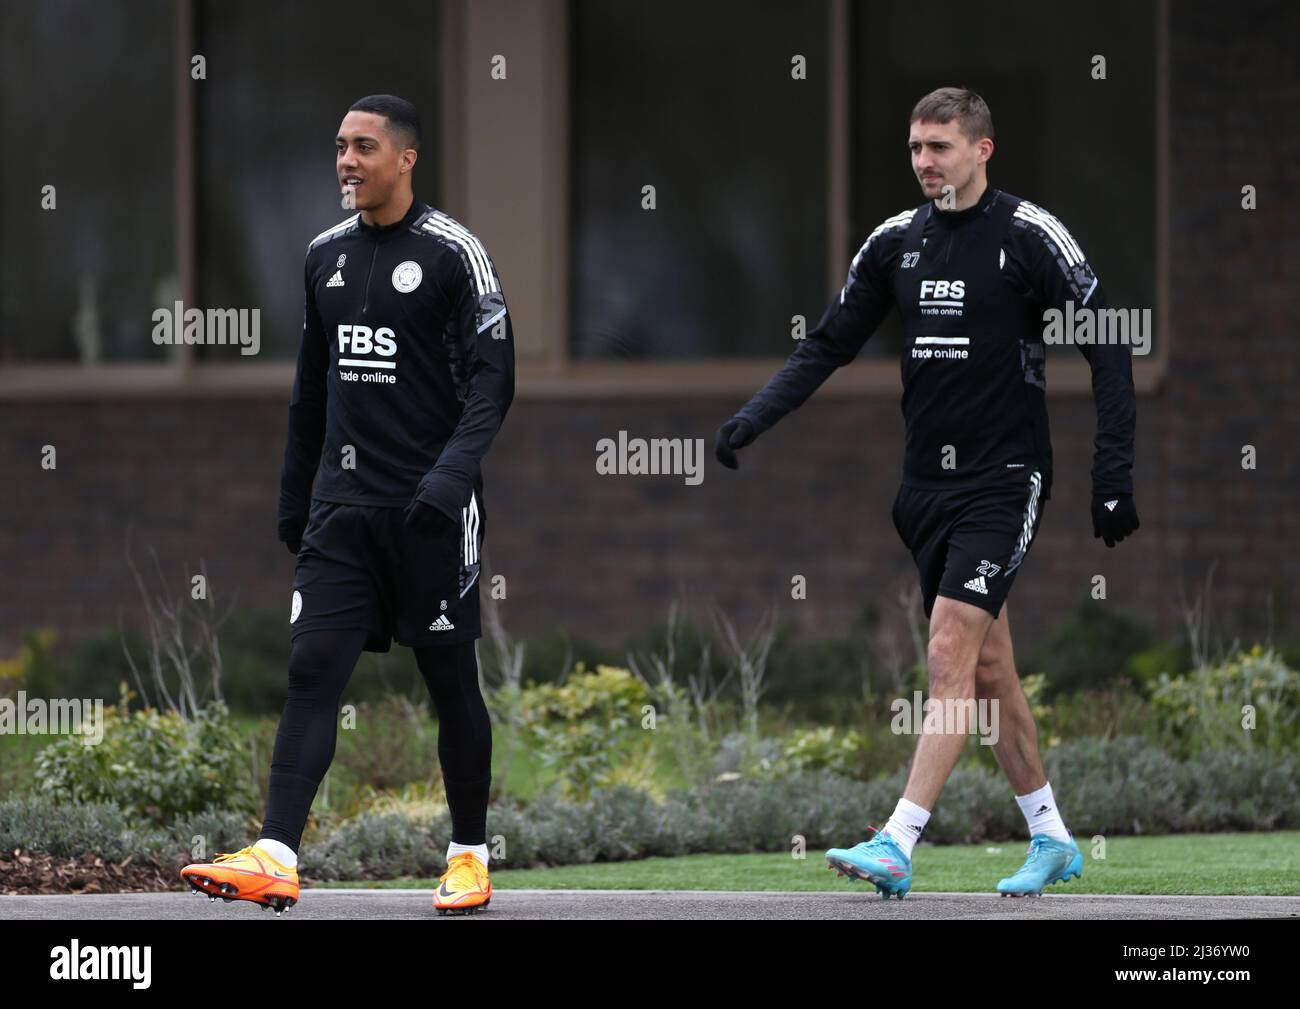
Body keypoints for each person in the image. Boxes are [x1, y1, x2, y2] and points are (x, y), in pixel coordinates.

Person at [714, 86, 1138, 899]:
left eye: (939, 147)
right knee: (988, 674)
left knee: (947, 652)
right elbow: (829, 344)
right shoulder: (895, 243)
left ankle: (898, 839)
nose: (923, 163)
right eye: (914, 148)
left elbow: (1110, 344)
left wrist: (1111, 477)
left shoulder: (1028, 236)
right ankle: (1050, 836)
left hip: (1004, 482)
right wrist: (752, 419)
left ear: (982, 150)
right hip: (922, 491)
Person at [181, 94, 514, 916]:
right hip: (342, 510)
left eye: (364, 147)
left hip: (430, 512)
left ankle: (469, 856)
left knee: (449, 679)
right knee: (311, 670)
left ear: (405, 157)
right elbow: (310, 393)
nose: (346, 161)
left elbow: (494, 384)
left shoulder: (453, 253)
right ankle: (276, 854)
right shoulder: (323, 256)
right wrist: (296, 497)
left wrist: (447, 481)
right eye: (338, 147)